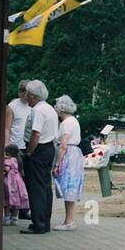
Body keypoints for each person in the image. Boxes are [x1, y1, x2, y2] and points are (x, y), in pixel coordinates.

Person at [19, 80, 58, 235]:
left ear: (33, 96)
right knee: (45, 186)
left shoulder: (38, 110)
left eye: (28, 95)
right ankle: (45, 221)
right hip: (48, 148)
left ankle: (38, 223)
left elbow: (36, 133)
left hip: (39, 149)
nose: (26, 98)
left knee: (36, 187)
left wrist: (29, 152)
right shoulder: (50, 109)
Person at [52, 95, 84, 231]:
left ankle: (69, 220)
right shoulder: (73, 121)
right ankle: (68, 220)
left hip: (69, 155)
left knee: (68, 185)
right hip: (74, 154)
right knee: (70, 186)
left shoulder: (66, 123)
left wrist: (56, 163)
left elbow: (63, 144)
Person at [4, 80, 34, 220]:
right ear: (20, 92)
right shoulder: (12, 106)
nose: (26, 96)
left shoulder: (33, 106)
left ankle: (24, 208)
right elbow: (7, 128)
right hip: (15, 147)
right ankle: (12, 208)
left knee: (26, 179)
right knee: (14, 180)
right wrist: (6, 146)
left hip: (27, 145)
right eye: (24, 93)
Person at [3, 145, 28, 226]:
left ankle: (7, 217)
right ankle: (15, 218)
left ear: (8, 153)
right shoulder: (18, 159)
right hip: (18, 182)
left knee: (6, 199)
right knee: (17, 201)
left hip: (9, 182)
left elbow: (6, 169)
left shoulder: (8, 160)